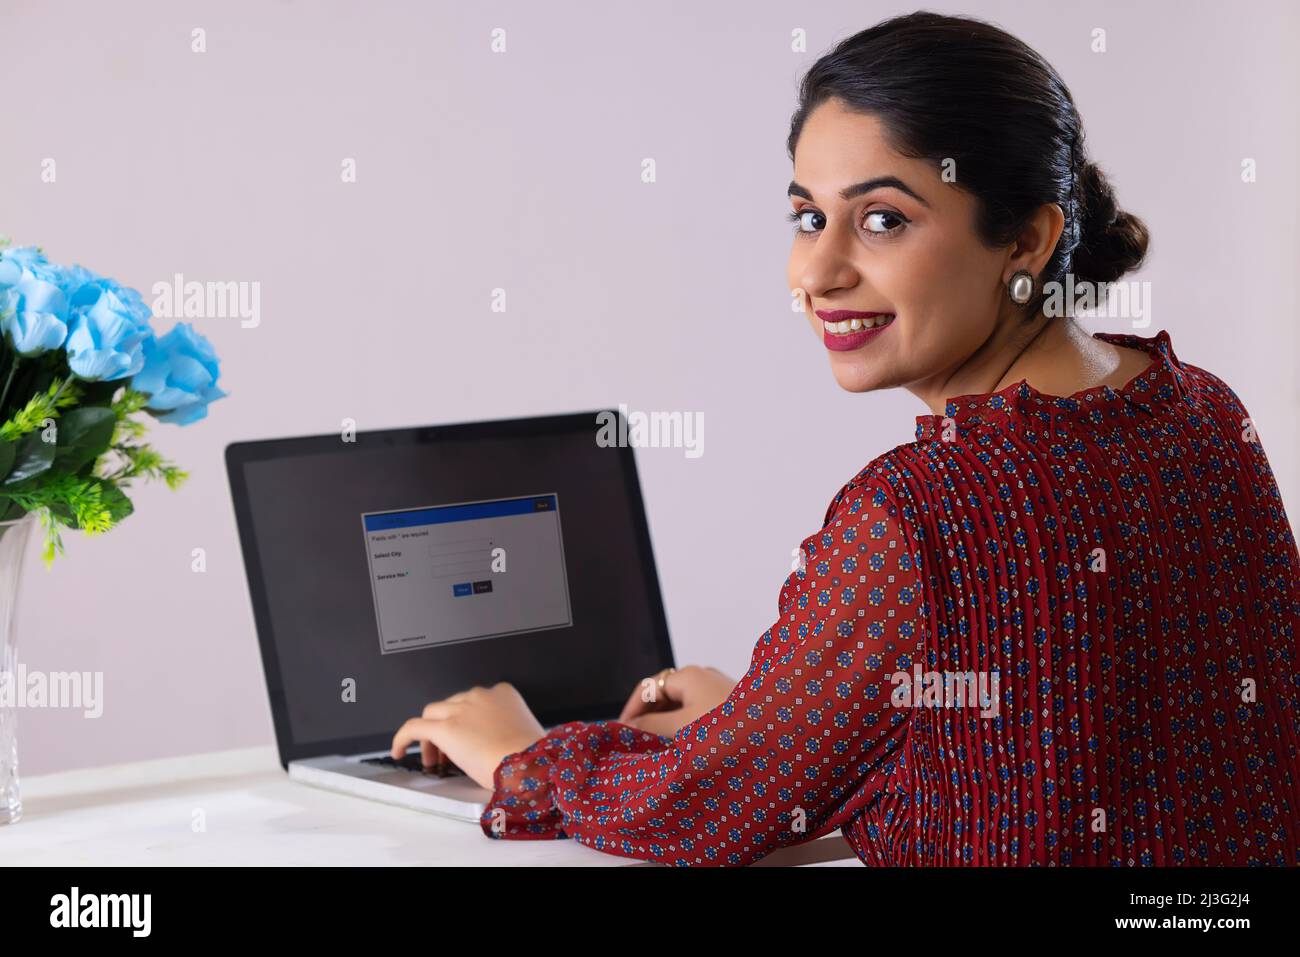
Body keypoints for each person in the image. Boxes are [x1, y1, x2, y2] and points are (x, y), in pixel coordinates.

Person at [390, 11, 1300, 866]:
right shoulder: (1204, 413)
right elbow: (1086, 734)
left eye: (883, 220)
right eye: (807, 216)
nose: (817, 272)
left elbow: (700, 808)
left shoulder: (920, 509)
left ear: (1027, 239)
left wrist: (526, 752)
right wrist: (766, 718)